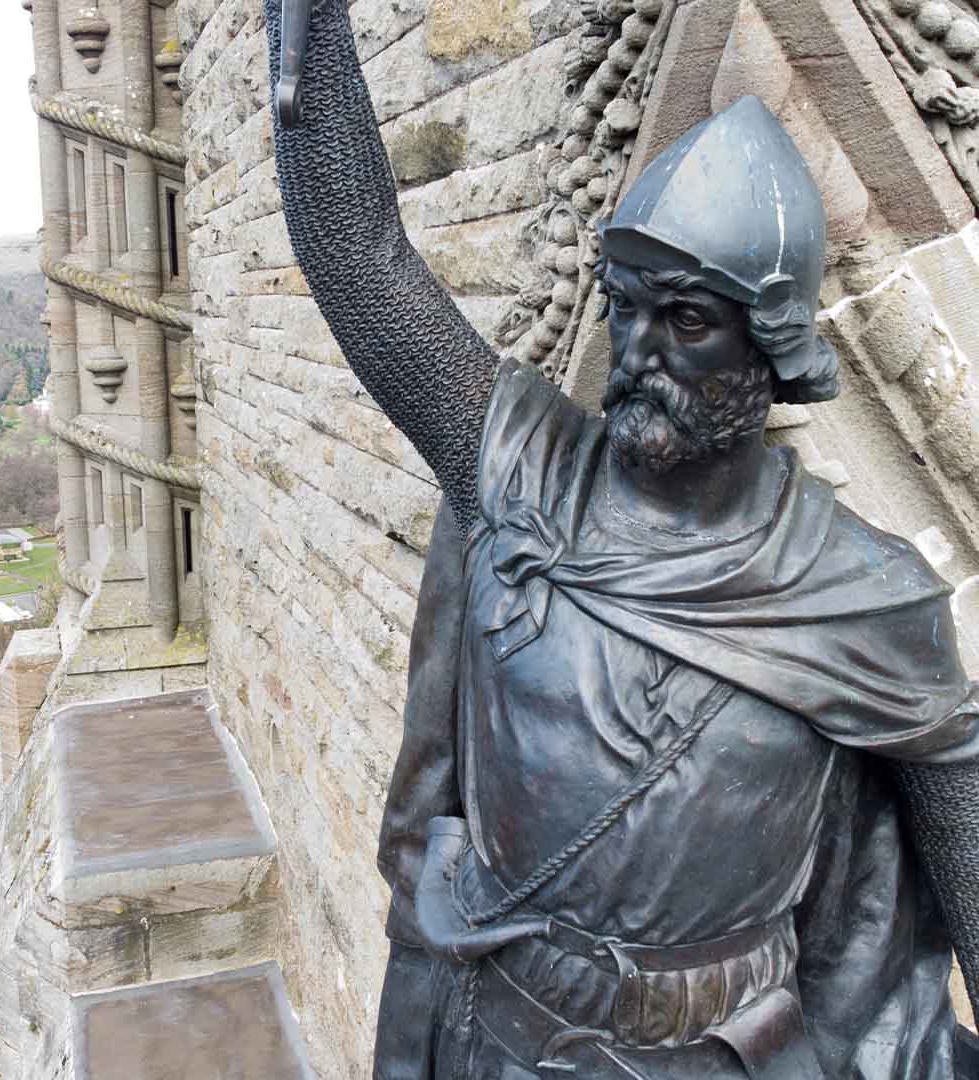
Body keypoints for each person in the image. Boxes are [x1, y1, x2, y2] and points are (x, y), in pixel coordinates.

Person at [264, 1, 979, 1075]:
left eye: (685, 320)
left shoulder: (865, 599)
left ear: (769, 346)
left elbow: (966, 855)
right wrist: (307, 40)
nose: (635, 349)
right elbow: (366, 263)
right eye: (626, 304)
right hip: (498, 1038)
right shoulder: (521, 469)